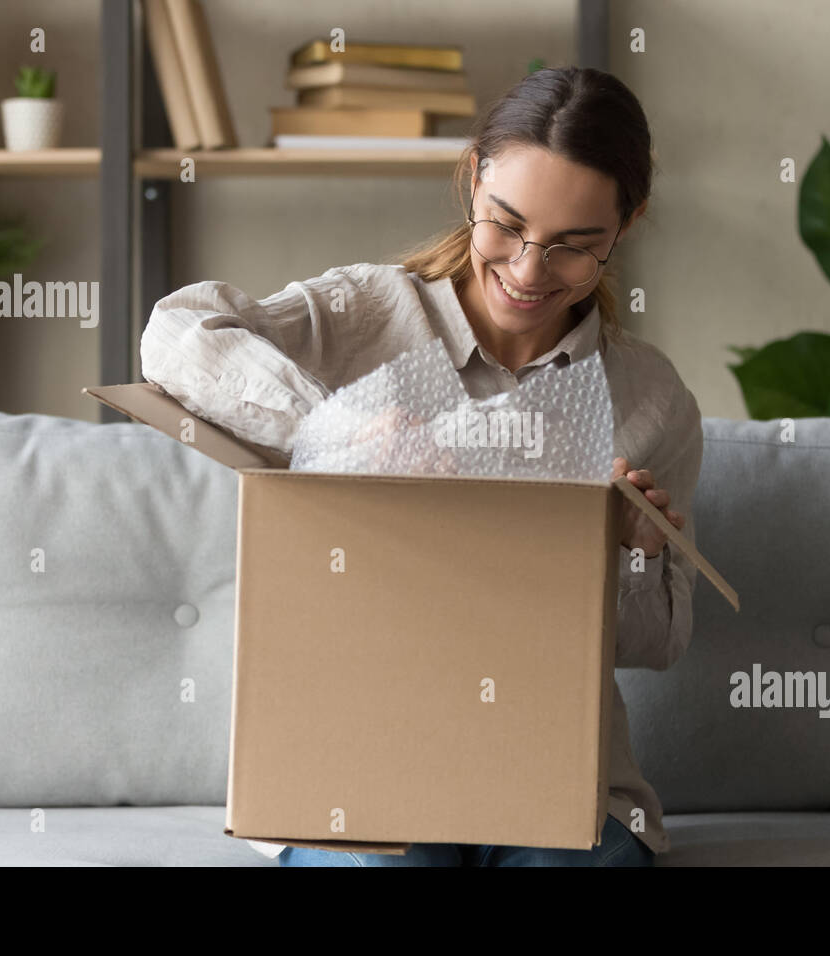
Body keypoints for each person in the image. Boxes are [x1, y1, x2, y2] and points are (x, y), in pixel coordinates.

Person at [140, 65, 703, 867]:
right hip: (360, 762)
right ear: (474, 180)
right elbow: (174, 334)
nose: (528, 271)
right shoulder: (365, 314)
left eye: (575, 248)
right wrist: (347, 432)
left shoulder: (651, 400)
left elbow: (657, 644)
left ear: (627, 226)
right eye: (505, 226)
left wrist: (632, 554)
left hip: (555, 776)